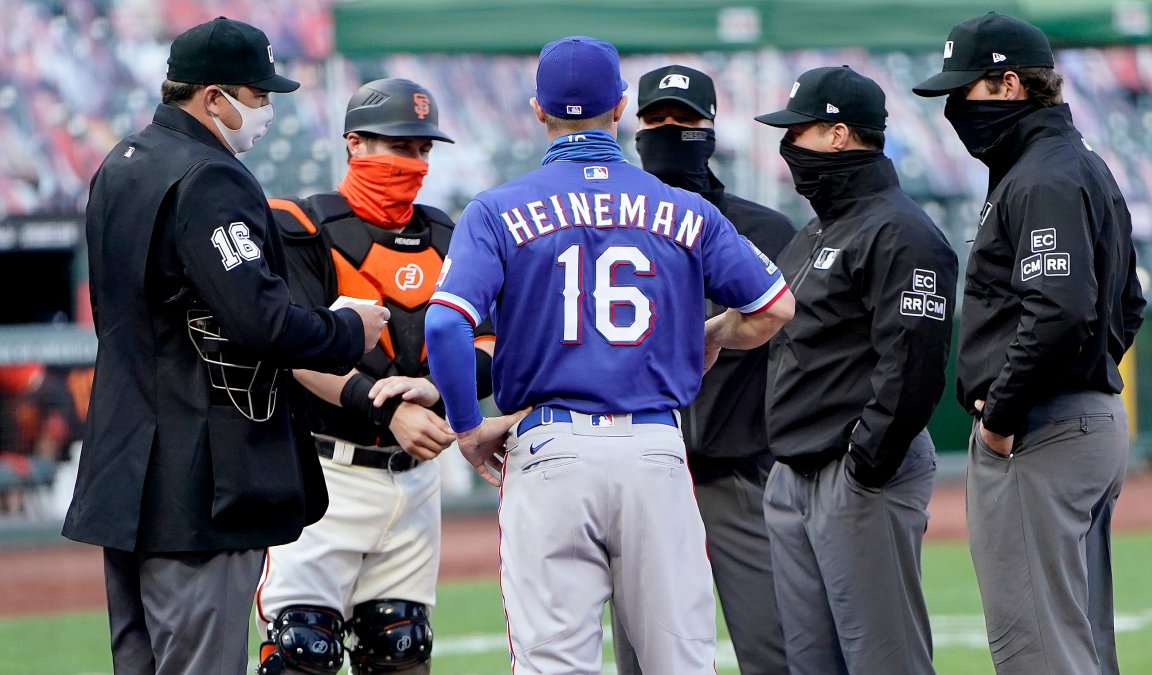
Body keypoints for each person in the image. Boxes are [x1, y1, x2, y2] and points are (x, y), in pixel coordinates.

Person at [424, 36, 794, 675]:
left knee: (554, 665)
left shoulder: (496, 209)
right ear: (620, 107)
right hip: (655, 447)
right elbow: (774, 308)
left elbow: (445, 326)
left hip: (550, 449)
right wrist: (706, 337)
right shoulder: (686, 209)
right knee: (678, 660)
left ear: (539, 111)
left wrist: (466, 428)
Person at [61, 17, 389, 675]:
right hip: (197, 479)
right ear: (213, 97)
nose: (265, 109)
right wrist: (349, 328)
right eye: (258, 94)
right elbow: (261, 323)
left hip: (124, 465)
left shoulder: (122, 161)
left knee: (141, 661)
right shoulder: (210, 177)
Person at [913, 13, 1146, 675]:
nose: (957, 108)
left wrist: (1002, 416)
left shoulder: (1041, 176)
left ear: (1009, 83)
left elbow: (1061, 308)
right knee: (1079, 645)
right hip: (1081, 418)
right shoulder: (1078, 166)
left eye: (967, 90)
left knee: (1037, 651)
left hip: (1040, 429)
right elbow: (1127, 304)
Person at [254, 78, 494, 675]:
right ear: (353, 144)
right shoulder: (301, 224)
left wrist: (439, 390)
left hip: (415, 482)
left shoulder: (449, 233)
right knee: (300, 651)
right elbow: (294, 348)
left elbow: (490, 342)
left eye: (422, 149)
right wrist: (385, 407)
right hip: (323, 471)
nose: (413, 162)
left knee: (402, 650)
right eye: (397, 145)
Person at [754, 65, 958, 674]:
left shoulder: (902, 231)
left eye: (800, 132)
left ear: (838, 135)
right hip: (797, 469)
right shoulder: (818, 230)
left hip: (856, 471)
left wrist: (866, 463)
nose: (789, 146)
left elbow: (914, 364)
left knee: (884, 660)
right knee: (813, 664)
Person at [608, 64, 790, 675]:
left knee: (776, 650)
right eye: (655, 118)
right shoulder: (605, 221)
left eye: (684, 119)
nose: (668, 129)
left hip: (741, 471)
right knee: (647, 659)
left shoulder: (764, 228)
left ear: (710, 129)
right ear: (634, 127)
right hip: (642, 467)